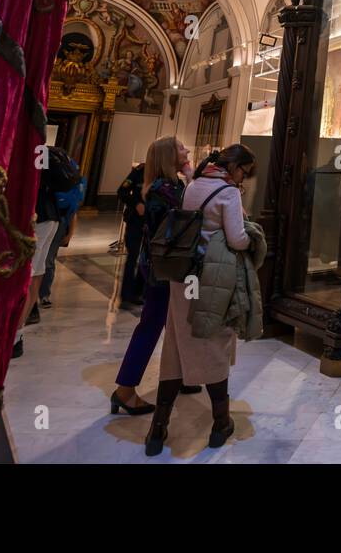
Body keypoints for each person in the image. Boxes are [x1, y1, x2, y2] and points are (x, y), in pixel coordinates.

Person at [146, 144, 260, 456]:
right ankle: (220, 422)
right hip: (211, 278)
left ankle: (158, 428)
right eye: (244, 172)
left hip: (182, 277)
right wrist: (253, 236)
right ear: (235, 168)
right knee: (213, 344)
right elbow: (236, 238)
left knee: (177, 348)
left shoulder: (195, 184)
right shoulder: (228, 193)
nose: (244, 179)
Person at [109, 137, 194, 416]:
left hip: (162, 264)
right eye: (182, 148)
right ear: (170, 156)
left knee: (172, 320)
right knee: (152, 324)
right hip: (161, 266)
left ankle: (182, 374)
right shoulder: (164, 189)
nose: (187, 151)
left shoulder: (170, 185)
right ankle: (125, 389)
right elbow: (183, 221)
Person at [13, 146, 78, 358]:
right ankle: (19, 331)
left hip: (35, 215)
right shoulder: (43, 151)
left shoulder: (26, 147)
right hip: (50, 216)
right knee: (36, 272)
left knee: (26, 273)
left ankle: (14, 334)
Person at [38, 154, 85, 309]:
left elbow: (72, 209)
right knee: (46, 259)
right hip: (55, 220)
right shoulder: (66, 177)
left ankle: (43, 294)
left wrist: (70, 232)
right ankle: (41, 295)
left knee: (46, 259)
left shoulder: (58, 178)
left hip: (54, 220)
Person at [115, 161, 147, 309]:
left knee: (146, 258)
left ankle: (139, 292)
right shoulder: (140, 171)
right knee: (132, 256)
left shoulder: (163, 173)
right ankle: (127, 295)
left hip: (152, 222)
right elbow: (122, 191)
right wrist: (136, 203)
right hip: (135, 220)